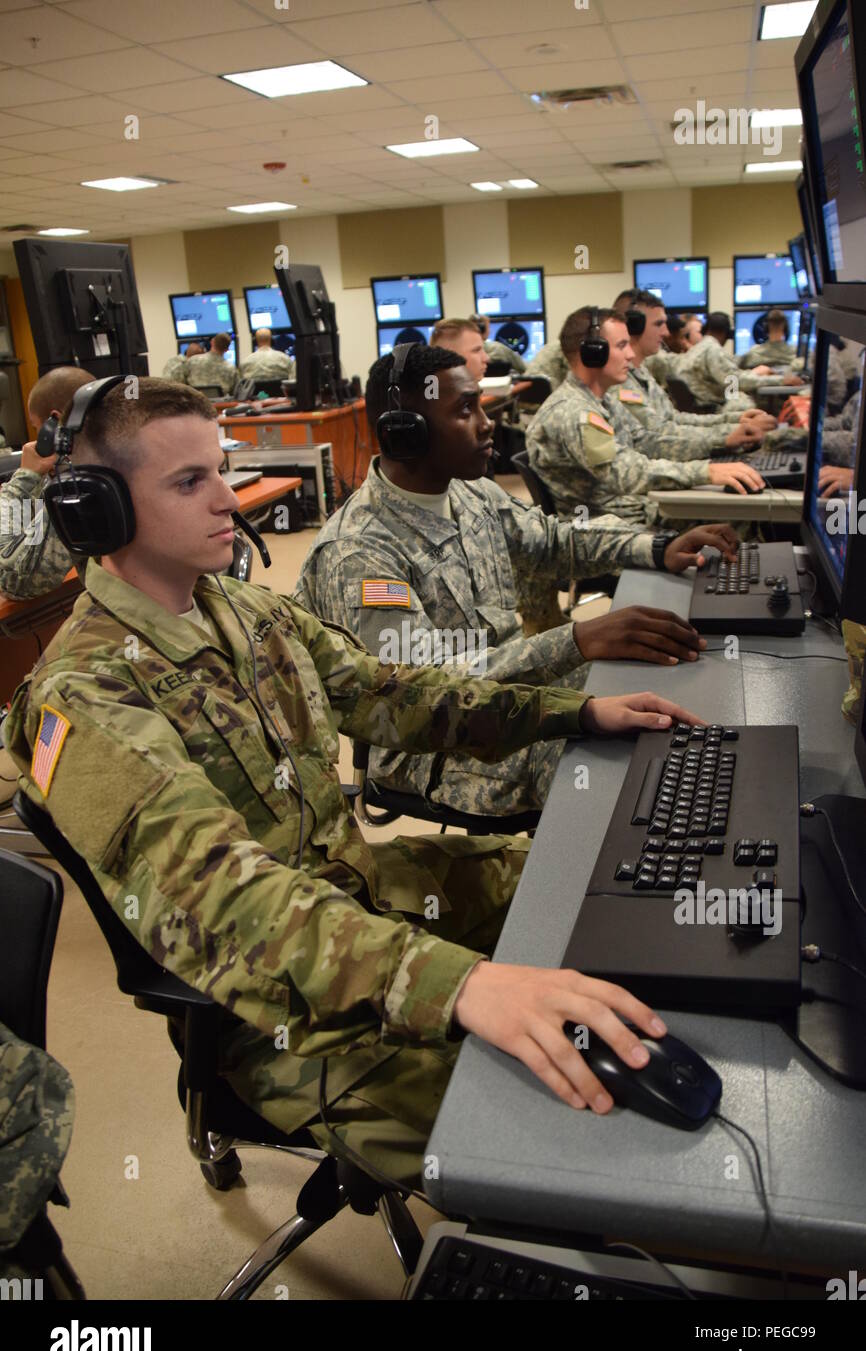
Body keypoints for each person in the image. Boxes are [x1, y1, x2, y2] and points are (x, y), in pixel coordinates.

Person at [3, 376, 698, 1188]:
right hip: (277, 1011)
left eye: (219, 469)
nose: (228, 498)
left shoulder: (243, 609)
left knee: (605, 882)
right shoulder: (83, 696)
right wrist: (463, 984)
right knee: (579, 1155)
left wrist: (572, 713)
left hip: (365, 892)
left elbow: (392, 695)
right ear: (99, 511)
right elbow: (224, 887)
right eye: (189, 482)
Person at [295, 345, 740, 818]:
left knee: (655, 681)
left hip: (510, 696)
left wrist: (654, 548)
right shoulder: (358, 551)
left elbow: (553, 541)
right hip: (430, 742)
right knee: (602, 762)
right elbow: (421, 693)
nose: (487, 424)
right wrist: (577, 640)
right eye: (466, 410)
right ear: (404, 434)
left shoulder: (471, 493)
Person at [526, 308, 764, 526]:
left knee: (741, 506)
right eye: (621, 346)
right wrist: (706, 472)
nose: (630, 354)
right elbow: (628, 473)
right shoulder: (575, 412)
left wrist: (721, 442)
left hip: (631, 510)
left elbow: (645, 442)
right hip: (609, 529)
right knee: (739, 517)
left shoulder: (600, 400)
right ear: (592, 354)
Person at [612, 292, 774, 460]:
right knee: (741, 401)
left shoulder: (642, 370)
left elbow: (672, 419)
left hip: (698, 427)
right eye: (658, 324)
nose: (666, 332)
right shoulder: (711, 349)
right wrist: (731, 429)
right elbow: (733, 381)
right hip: (709, 412)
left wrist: (736, 420)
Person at [0, 366, 95, 600]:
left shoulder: (79, 484)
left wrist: (23, 480)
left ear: (55, 421)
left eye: (37, 428)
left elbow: (15, 581)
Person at [670, 311, 777, 412]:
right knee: (748, 403)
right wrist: (779, 380)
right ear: (726, 333)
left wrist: (752, 373)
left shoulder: (701, 347)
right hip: (709, 407)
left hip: (700, 402)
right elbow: (736, 381)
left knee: (740, 396)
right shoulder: (712, 349)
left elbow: (729, 371)